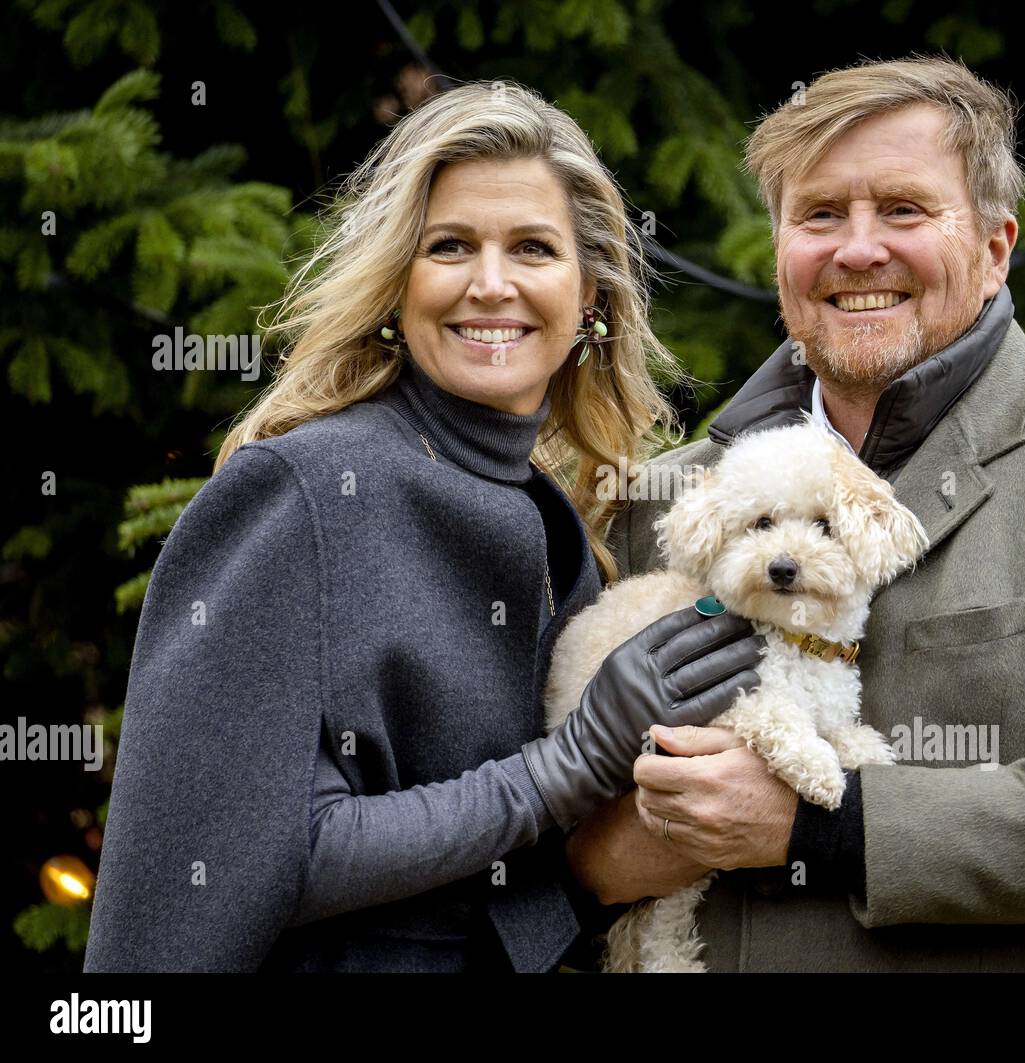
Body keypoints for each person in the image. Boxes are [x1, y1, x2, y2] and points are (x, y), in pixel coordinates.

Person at [570, 55, 1025, 972]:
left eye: (903, 210)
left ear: (994, 249)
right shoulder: (664, 501)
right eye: (819, 215)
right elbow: (545, 834)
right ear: (782, 250)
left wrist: (826, 826)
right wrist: (591, 868)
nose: (858, 250)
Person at [82, 81, 764, 973]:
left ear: (590, 296)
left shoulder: (561, 527)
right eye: (449, 247)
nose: (491, 283)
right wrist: (570, 765)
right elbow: (256, 860)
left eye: (532, 247)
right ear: (398, 285)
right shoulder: (302, 491)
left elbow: (495, 887)